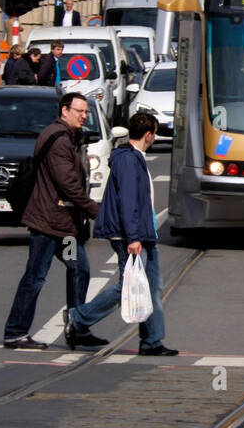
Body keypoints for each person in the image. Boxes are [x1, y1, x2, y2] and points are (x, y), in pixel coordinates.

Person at [65, 109, 177, 356]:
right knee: (128, 286)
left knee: (151, 287)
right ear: (148, 134)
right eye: (154, 135)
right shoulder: (128, 160)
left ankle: (152, 341)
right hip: (131, 235)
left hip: (144, 234)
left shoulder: (133, 157)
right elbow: (128, 201)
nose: (155, 139)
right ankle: (79, 317)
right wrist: (133, 238)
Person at [3, 91, 105, 349]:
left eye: (86, 112)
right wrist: (95, 210)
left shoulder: (69, 137)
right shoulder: (59, 139)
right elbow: (68, 185)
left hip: (64, 227)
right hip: (48, 224)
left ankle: (76, 327)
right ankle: (15, 332)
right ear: (64, 110)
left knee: (79, 269)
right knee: (36, 276)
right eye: (79, 111)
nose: (84, 116)